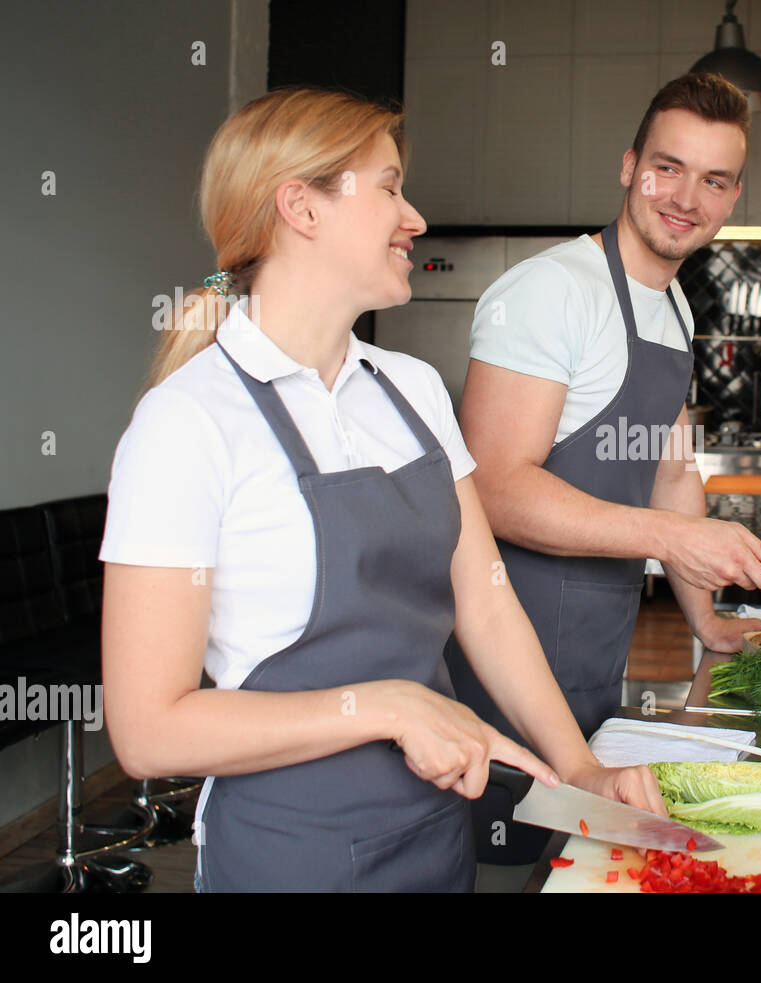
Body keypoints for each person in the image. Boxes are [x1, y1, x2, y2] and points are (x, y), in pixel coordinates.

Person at [99, 87, 664, 894]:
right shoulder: (187, 422)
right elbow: (148, 730)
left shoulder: (412, 389)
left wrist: (580, 767)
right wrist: (390, 706)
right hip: (291, 855)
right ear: (302, 206)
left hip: (436, 831)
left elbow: (487, 599)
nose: (416, 218)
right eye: (391, 186)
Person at [442, 73, 761, 862]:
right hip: (502, 652)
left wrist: (705, 621)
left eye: (715, 179)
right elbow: (492, 486)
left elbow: (672, 471)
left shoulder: (676, 307)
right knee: (499, 859)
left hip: (594, 654)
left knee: (573, 860)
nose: (687, 196)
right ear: (629, 165)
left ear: (732, 198)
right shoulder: (552, 292)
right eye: (669, 167)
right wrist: (664, 534)